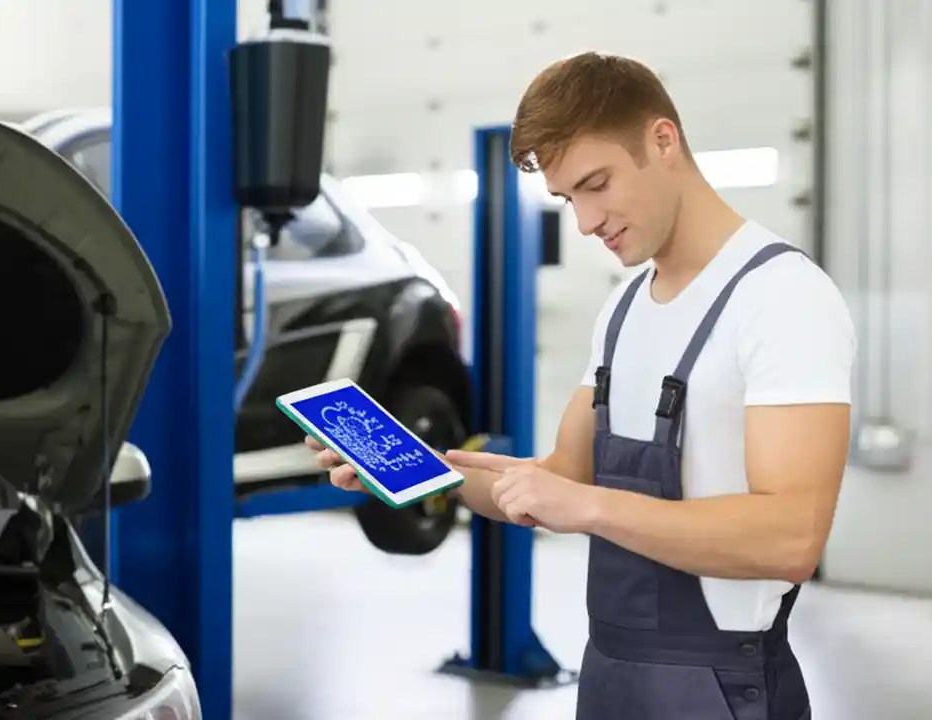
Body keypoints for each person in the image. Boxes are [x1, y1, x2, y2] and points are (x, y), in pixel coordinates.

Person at [306, 51, 854, 719]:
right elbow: (553, 482)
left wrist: (588, 506)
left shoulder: (782, 297)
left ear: (662, 139)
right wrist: (408, 472)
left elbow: (791, 538)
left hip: (720, 686)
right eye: (569, 198)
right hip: (610, 677)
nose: (587, 222)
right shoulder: (623, 312)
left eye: (597, 184)